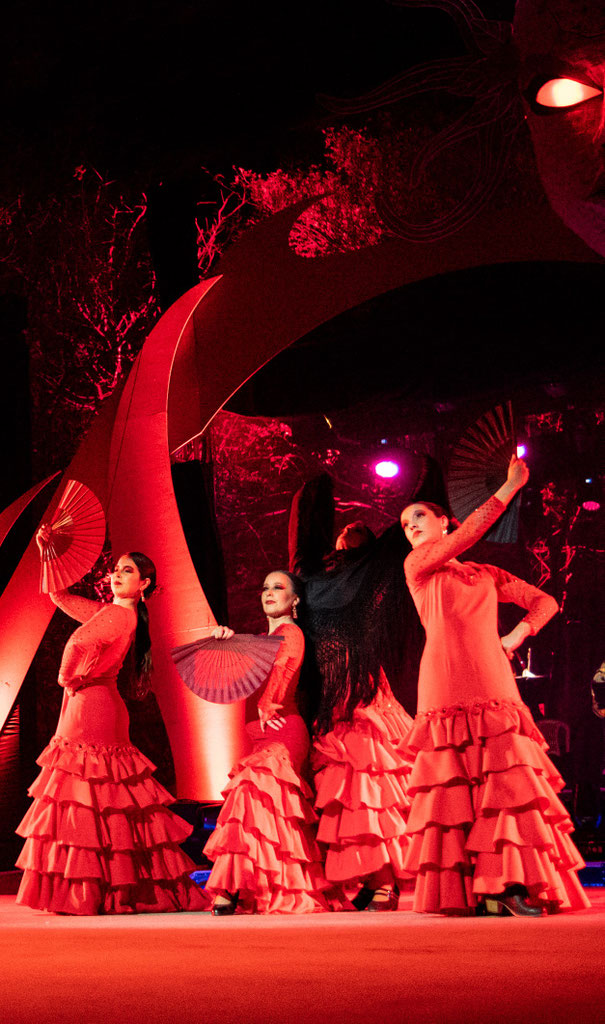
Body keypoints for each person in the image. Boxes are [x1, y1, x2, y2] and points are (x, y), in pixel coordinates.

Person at [400, 455, 590, 916]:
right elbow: (470, 535)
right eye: (406, 523)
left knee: (505, 783)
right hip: (444, 679)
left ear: (446, 520)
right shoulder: (419, 567)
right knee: (455, 785)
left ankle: (505, 884)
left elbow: (543, 602)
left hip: (493, 675)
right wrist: (507, 489)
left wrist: (516, 634)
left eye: (420, 516)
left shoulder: (484, 574)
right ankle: (470, 889)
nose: (411, 527)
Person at [16, 531, 207, 915]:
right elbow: (59, 598)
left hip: (91, 707)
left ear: (145, 583)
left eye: (128, 571)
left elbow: (77, 646)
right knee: (107, 800)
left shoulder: (118, 615)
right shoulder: (115, 613)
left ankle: (90, 889)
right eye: (116, 570)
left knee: (88, 797)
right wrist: (47, 551)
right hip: (97, 704)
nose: (117, 575)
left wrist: (67, 678)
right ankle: (117, 885)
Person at [203, 570, 330, 915]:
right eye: (265, 588)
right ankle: (252, 888)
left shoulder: (291, 632)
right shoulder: (259, 640)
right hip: (258, 736)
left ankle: (231, 889)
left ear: (295, 600)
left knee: (248, 795)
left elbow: (285, 667)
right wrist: (224, 642)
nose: (269, 593)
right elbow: (229, 674)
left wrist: (268, 701)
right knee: (257, 815)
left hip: (282, 730)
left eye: (279, 588)